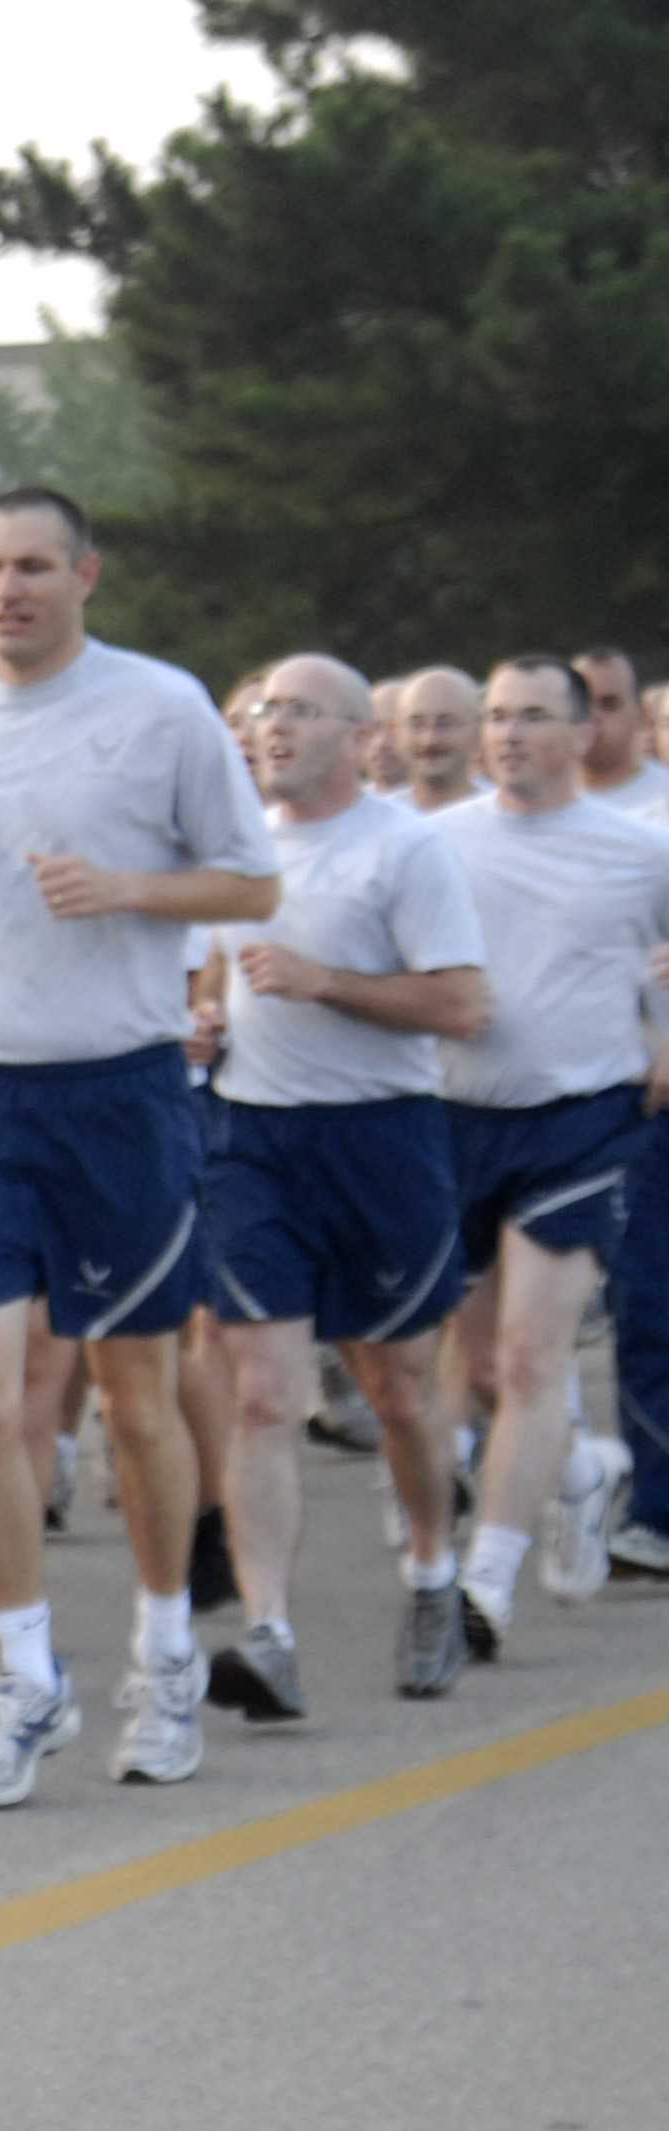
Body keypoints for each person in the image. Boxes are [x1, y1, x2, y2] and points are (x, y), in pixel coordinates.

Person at [0, 486, 280, 1807]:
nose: (9, 589)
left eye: (35, 568)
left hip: (119, 1092)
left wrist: (128, 890)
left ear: (86, 574)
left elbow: (251, 882)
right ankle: (27, 1676)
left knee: (132, 1399)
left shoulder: (161, 707)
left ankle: (165, 1653)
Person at [203, 655, 490, 1711]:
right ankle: (267, 1633)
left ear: (360, 737)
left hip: (382, 1140)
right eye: (265, 710)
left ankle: (429, 1573)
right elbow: (208, 980)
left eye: (298, 711)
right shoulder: (232, 855)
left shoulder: (403, 849)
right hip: (249, 1141)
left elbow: (462, 1005)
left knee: (399, 1391)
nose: (272, 727)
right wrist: (201, 1022)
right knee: (265, 1394)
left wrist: (323, 983)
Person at [432, 654, 669, 1657]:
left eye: (532, 717)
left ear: (581, 736)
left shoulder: (637, 851)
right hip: (449, 1119)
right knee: (472, 1365)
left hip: (580, 1122)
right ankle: (575, 1470)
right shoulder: (431, 843)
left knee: (532, 1354)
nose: (507, 735)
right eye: (495, 718)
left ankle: (482, 1583)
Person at [572, 647, 669, 815]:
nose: (593, 717)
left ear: (640, 715)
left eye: (609, 704)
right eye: (582, 704)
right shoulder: (535, 801)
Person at [391, 667, 486, 814]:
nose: (429, 739)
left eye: (445, 723)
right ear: (397, 733)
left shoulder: (508, 819)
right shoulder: (376, 823)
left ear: (478, 732)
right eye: (417, 724)